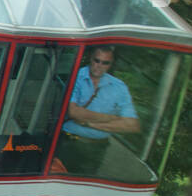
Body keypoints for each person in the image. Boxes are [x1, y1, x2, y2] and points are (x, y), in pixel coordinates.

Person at [55, 46, 140, 176]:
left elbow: (132, 125)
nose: (99, 66)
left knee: (84, 184)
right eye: (97, 60)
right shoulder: (77, 76)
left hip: (96, 149)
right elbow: (74, 113)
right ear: (91, 58)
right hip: (68, 143)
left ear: (110, 65)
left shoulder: (119, 87)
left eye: (105, 63)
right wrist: (113, 118)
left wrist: (90, 124)